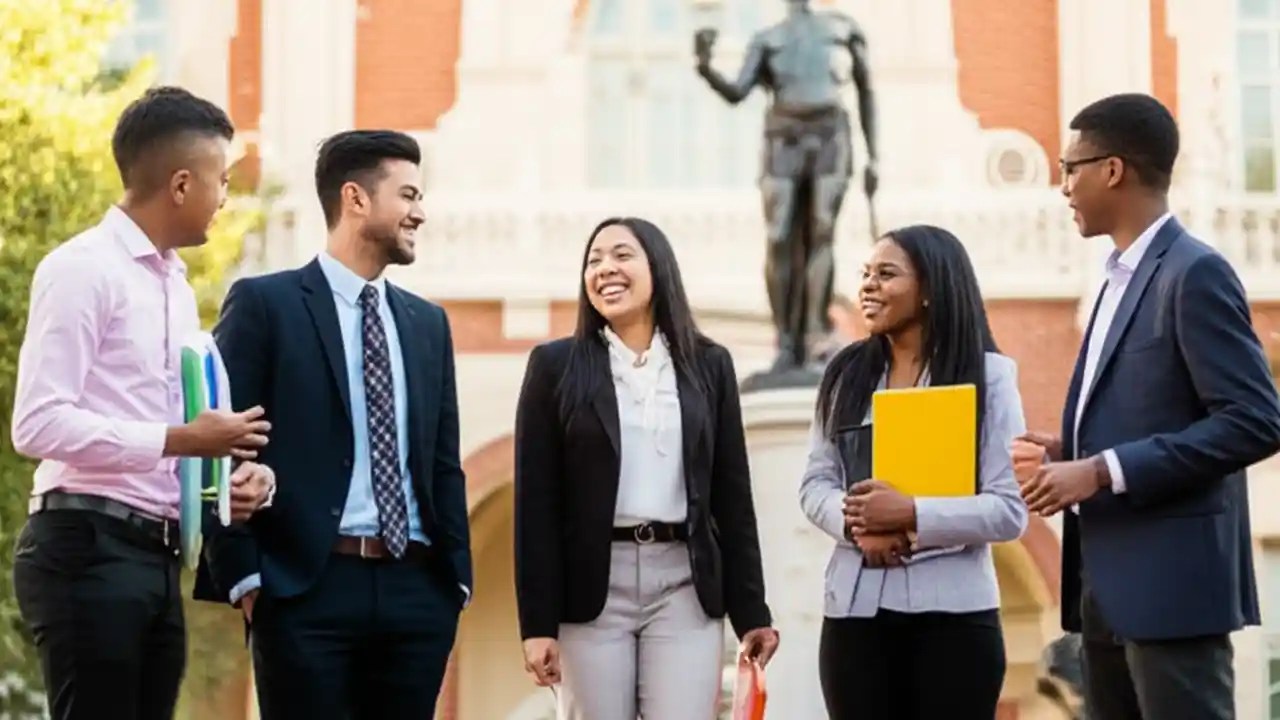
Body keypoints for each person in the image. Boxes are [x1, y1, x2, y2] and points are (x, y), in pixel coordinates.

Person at [10, 86, 275, 720]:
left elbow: (164, 429)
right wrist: (183, 440)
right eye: (221, 180)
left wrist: (225, 484)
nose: (226, 197)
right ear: (181, 184)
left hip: (156, 554)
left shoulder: (175, 286)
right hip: (86, 544)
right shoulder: (82, 269)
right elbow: (38, 422)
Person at [1016, 93, 1280, 720]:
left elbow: (1255, 420)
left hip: (1172, 592)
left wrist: (1100, 469)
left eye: (1070, 168)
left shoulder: (1194, 273)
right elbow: (1153, 413)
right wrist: (1073, 449)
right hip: (1104, 591)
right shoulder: (1115, 278)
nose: (1064, 186)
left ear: (1112, 170)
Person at [193, 130, 472, 719]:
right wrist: (245, 578)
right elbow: (220, 447)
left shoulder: (428, 325)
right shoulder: (266, 305)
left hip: (416, 592)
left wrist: (455, 582)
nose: (420, 213)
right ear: (356, 198)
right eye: (408, 195)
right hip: (304, 590)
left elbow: (443, 463)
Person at [514, 217, 780, 720]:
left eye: (621, 255)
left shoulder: (709, 365)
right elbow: (536, 504)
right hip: (590, 589)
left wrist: (752, 613)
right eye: (594, 260)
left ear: (658, 267)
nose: (605, 269)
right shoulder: (554, 366)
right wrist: (537, 626)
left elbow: (732, 496)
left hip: (684, 584)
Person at [798, 224, 1029, 720]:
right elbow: (816, 484)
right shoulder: (843, 375)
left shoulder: (989, 377)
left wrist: (909, 515)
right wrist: (859, 524)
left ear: (929, 289)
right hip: (855, 617)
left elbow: (1008, 510)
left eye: (886, 274)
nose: (868, 285)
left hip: (955, 622)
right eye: (865, 274)